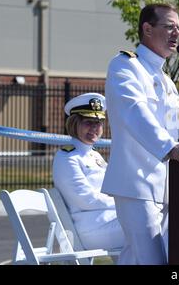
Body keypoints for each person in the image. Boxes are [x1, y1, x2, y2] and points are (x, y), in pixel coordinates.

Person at [101, 3, 179, 265]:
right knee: (154, 261)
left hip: (164, 187)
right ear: (147, 29)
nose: (177, 33)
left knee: (134, 259)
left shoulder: (166, 79)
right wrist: (169, 147)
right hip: (136, 184)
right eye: (169, 26)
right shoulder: (125, 66)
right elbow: (134, 113)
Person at [52, 93, 125, 251]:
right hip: (88, 229)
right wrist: (122, 202)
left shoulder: (95, 155)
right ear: (74, 124)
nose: (94, 128)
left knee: (160, 220)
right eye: (88, 122)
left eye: (98, 123)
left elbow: (111, 187)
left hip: (107, 221)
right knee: (151, 225)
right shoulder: (67, 157)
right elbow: (86, 199)